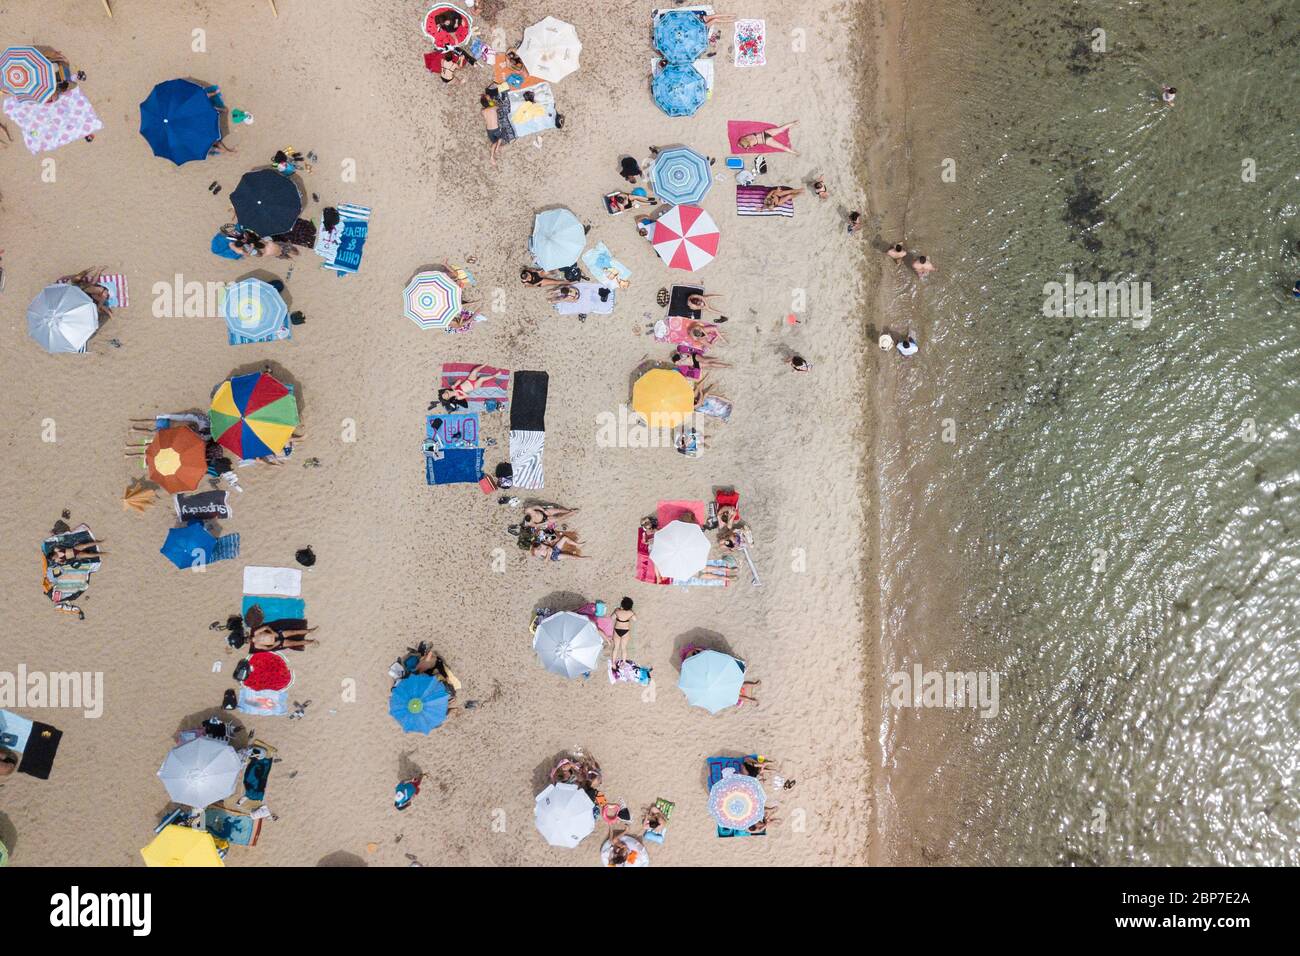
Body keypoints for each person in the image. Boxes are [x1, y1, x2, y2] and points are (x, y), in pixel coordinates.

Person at [481, 94, 506, 168]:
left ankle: (492, 157)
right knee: (502, 134)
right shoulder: (494, 108)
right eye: (489, 100)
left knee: (494, 142)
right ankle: (497, 148)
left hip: (489, 130)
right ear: (489, 102)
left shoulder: (483, 111)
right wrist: (493, 102)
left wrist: (487, 99)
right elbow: (499, 106)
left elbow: (487, 105)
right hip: (496, 129)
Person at [611, 597, 636, 662]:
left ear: (622, 604)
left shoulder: (617, 611)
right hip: (625, 631)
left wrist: (617, 611)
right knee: (624, 648)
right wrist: (631, 612)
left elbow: (612, 618)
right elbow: (635, 619)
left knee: (615, 648)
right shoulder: (631, 613)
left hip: (617, 630)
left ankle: (613, 663)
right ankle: (623, 663)